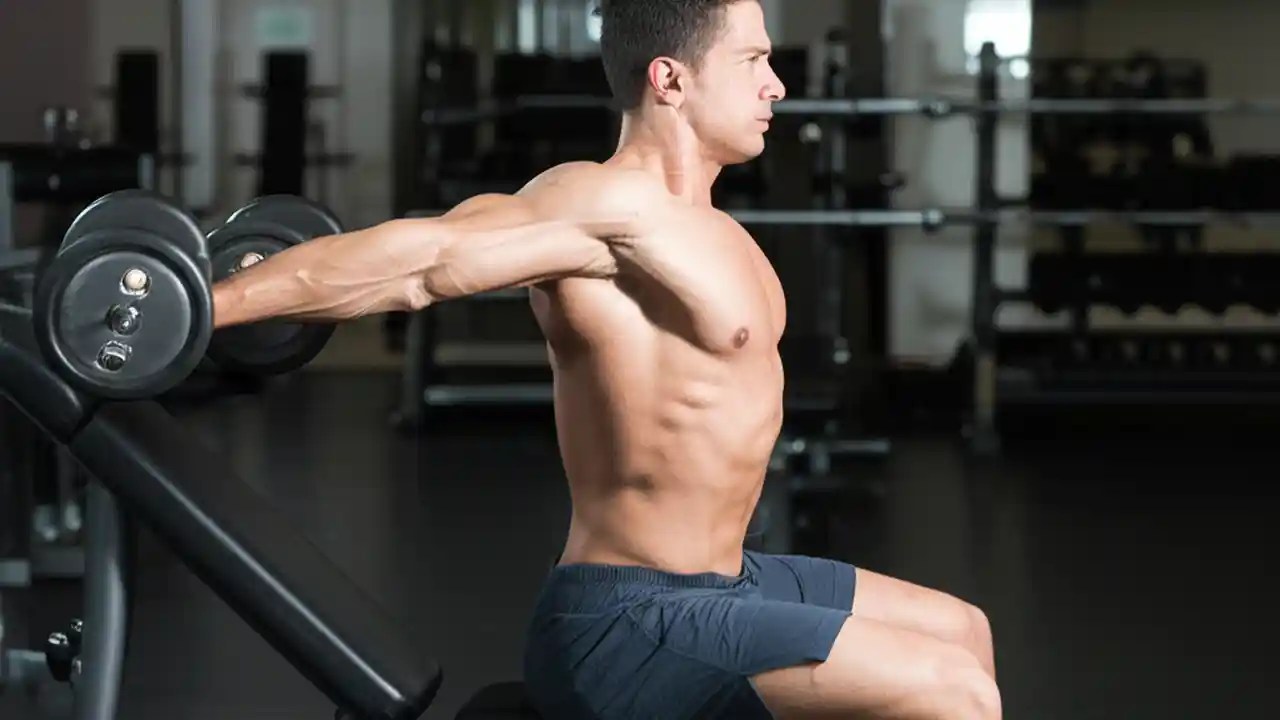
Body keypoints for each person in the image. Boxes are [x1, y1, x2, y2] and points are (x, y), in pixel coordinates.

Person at [211, 1, 1001, 717]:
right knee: (949, 693)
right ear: (671, 79)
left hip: (725, 582)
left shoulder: (714, 226)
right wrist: (208, 305)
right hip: (630, 621)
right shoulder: (606, 206)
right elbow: (425, 262)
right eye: (753, 61)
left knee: (964, 632)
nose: (778, 87)